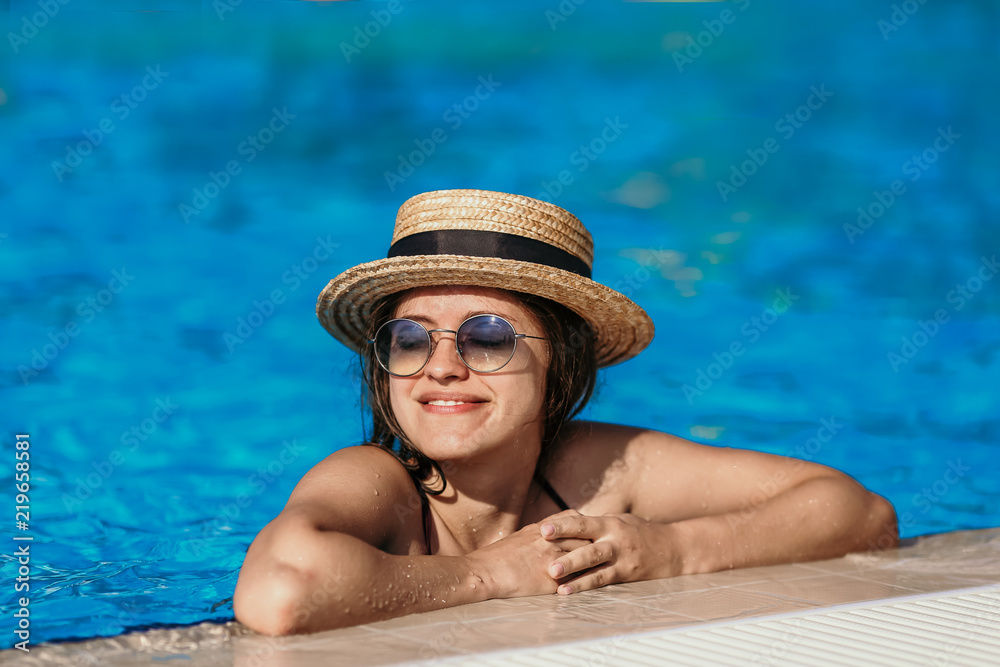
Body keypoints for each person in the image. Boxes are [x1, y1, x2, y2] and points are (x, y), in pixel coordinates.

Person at [233, 189, 898, 636]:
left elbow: (858, 511)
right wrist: (491, 575)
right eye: (409, 339)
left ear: (564, 362)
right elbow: (280, 589)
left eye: (487, 335)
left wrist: (673, 549)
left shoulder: (595, 469)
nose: (440, 367)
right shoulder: (381, 481)